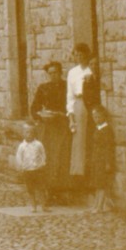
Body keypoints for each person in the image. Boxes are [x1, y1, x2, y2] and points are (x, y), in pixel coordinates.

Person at [32, 59, 70, 203]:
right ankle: (48, 192)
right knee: (48, 158)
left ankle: (60, 192)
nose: (53, 75)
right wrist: (40, 116)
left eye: (55, 72)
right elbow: (34, 107)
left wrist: (62, 114)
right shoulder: (43, 88)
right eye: (50, 73)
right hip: (48, 128)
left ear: (60, 73)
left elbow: (71, 105)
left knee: (61, 158)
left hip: (62, 126)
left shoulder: (67, 87)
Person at [67, 44, 98, 188]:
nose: (79, 57)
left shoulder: (92, 68)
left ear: (86, 55)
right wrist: (71, 116)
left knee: (92, 137)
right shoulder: (72, 72)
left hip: (92, 104)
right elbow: (70, 96)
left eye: (81, 54)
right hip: (79, 104)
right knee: (79, 140)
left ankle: (93, 176)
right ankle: (79, 177)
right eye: (76, 54)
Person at [13, 122, 48, 212]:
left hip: (37, 170)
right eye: (26, 132)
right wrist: (21, 166)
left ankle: (43, 205)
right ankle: (33, 206)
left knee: (41, 188)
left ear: (34, 134)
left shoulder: (38, 144)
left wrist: (42, 164)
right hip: (27, 170)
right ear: (23, 133)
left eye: (31, 132)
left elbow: (43, 154)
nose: (28, 135)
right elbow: (19, 157)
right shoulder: (22, 146)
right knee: (30, 189)